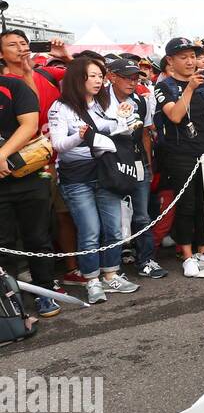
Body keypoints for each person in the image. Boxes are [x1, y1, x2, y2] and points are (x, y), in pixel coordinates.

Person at [48, 57, 141, 304]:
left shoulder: (104, 103)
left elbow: (112, 128)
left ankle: (111, 274)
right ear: (79, 78)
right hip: (76, 176)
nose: (99, 81)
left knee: (112, 228)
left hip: (106, 171)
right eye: (93, 76)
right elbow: (57, 145)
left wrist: (125, 127)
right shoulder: (60, 107)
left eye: (100, 76)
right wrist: (80, 137)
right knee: (90, 231)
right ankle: (91, 280)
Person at [153, 37, 204, 276]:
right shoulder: (163, 87)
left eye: (193, 56)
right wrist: (189, 88)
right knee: (186, 203)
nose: (190, 61)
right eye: (183, 57)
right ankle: (187, 255)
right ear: (170, 60)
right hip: (179, 153)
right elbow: (175, 116)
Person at [0, 72, 61, 317]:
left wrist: (2, 154)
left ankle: (44, 293)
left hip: (28, 176)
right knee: (3, 245)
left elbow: (30, 124)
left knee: (38, 239)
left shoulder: (13, 86)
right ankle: (9, 302)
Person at [104, 57, 165, 280]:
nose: (131, 82)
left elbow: (147, 134)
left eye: (135, 78)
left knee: (142, 215)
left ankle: (146, 260)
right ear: (111, 77)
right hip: (110, 164)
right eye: (126, 78)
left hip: (138, 162)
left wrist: (147, 163)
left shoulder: (141, 100)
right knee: (111, 219)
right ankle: (112, 266)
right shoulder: (99, 101)